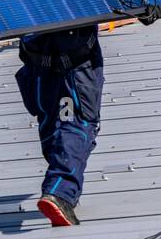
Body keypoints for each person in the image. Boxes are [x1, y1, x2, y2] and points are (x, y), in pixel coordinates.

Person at [15, 25, 105, 226]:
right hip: (73, 65)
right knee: (78, 126)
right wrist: (140, 6)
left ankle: (63, 192)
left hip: (37, 65)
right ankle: (59, 192)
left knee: (53, 127)